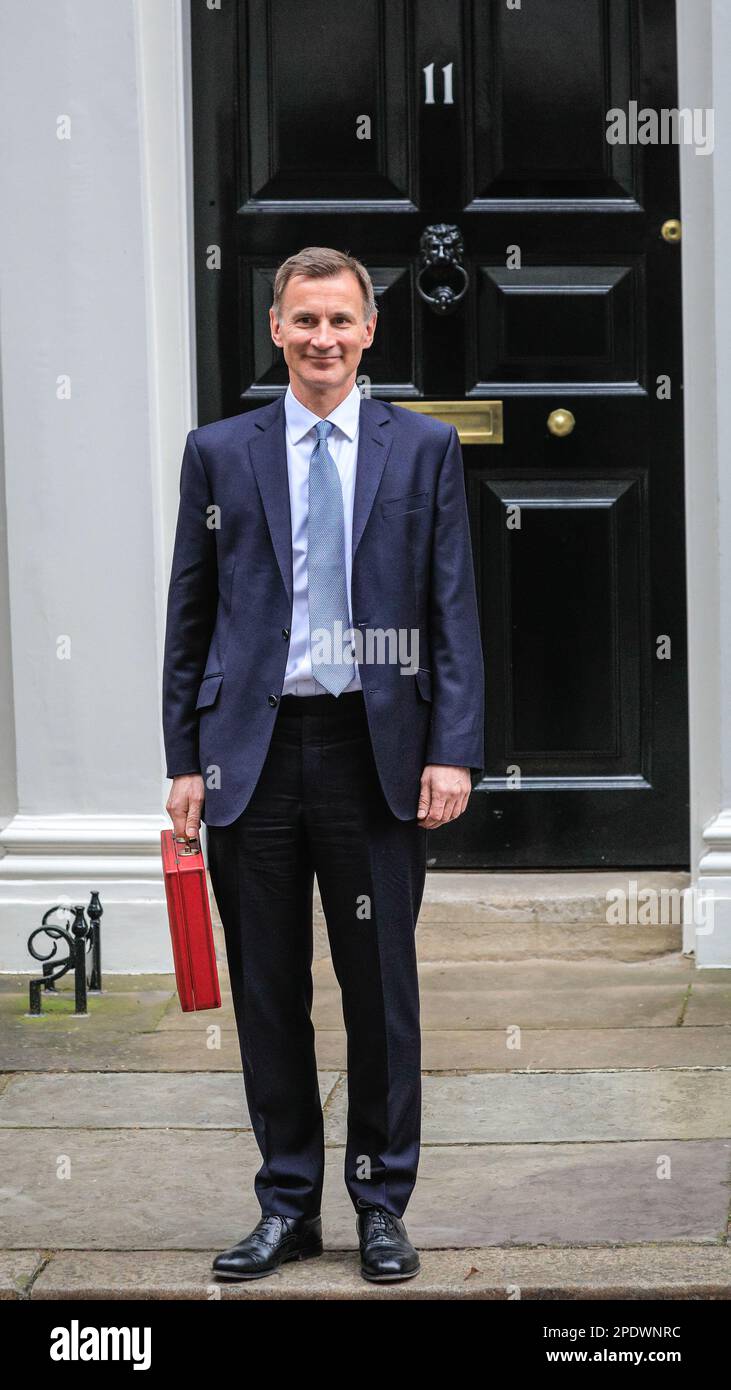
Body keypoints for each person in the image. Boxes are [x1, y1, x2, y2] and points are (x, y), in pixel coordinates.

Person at [162, 247, 484, 1283]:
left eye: (340, 321)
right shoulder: (219, 451)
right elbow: (190, 614)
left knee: (377, 987)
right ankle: (287, 1202)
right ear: (274, 329)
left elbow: (452, 612)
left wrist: (453, 749)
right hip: (251, 757)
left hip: (372, 752)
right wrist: (183, 759)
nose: (322, 340)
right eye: (304, 321)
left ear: (368, 331)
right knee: (266, 989)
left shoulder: (422, 449)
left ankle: (380, 1203)